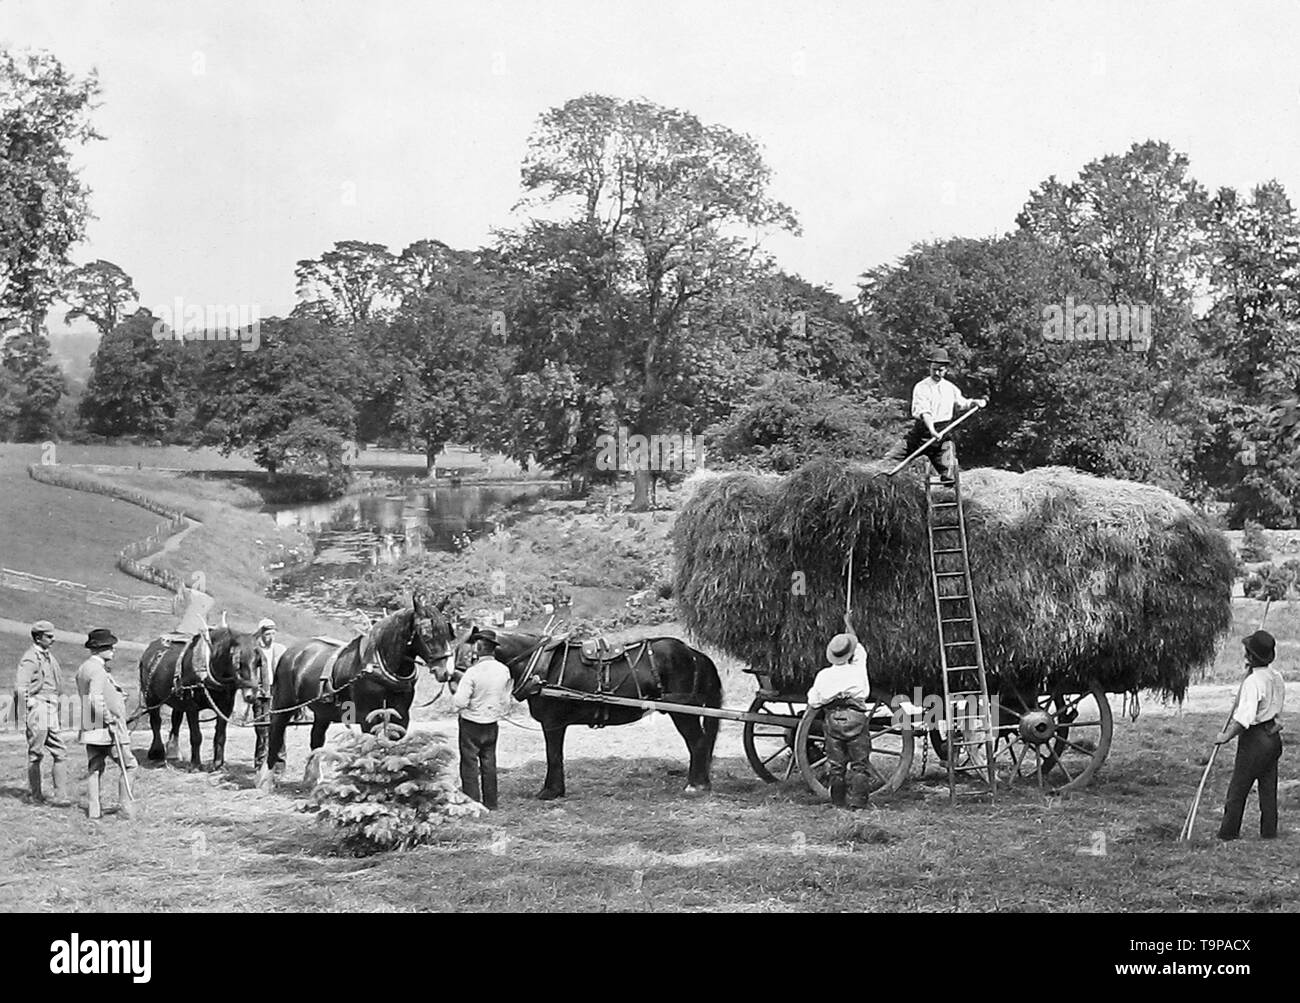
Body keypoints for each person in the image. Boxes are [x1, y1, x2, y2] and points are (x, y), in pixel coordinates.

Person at [1216, 629, 1285, 841]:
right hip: (1273, 738)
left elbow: (1244, 718)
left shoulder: (1253, 683)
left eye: (1247, 652)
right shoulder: (1276, 676)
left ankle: (1228, 833)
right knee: (1268, 788)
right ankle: (1269, 832)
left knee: (1238, 789)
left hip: (1255, 740)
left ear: (1252, 657)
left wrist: (1225, 736)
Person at [885, 347, 987, 480]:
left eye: (940, 370)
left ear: (946, 370)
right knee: (888, 462)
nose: (937, 373)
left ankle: (947, 490)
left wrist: (975, 402)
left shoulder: (950, 388)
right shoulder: (921, 387)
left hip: (942, 437)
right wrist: (932, 430)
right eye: (934, 369)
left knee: (950, 476)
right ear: (930, 368)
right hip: (920, 435)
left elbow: (962, 403)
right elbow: (924, 411)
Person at [806, 626, 873, 809]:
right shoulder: (858, 670)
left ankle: (838, 803)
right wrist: (849, 626)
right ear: (850, 654)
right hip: (855, 718)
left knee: (836, 765)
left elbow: (813, 701)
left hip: (832, 720)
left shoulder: (824, 675)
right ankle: (859, 804)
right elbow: (859, 650)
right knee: (860, 764)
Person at [75, 628, 138, 820]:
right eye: (109, 647)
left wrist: (118, 694)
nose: (113, 650)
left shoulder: (84, 668)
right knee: (130, 766)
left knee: (95, 767)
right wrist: (109, 718)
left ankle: (94, 812)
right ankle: (125, 809)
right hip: (108, 729)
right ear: (99, 648)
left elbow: (95, 694)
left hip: (91, 726)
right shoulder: (98, 670)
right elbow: (95, 699)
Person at [452, 629, 515, 810]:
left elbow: (460, 702)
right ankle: (491, 803)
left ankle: (472, 803)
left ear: (478, 647)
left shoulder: (472, 672)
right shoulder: (504, 670)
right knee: (489, 763)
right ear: (493, 649)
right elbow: (505, 699)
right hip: (491, 723)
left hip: (471, 724)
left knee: (469, 763)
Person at [14, 620, 68, 805]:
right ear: (38, 637)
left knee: (60, 751)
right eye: (49, 637)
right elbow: (21, 687)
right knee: (36, 753)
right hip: (39, 709)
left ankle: (61, 796)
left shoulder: (49, 657)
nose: (53, 640)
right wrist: (30, 704)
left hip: (52, 708)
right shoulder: (30, 658)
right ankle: (36, 796)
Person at [251, 618, 286, 771]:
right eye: (267, 634)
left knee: (279, 727)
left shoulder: (280, 650)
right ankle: (261, 762)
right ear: (261, 634)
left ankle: (279, 762)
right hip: (260, 694)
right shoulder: (253, 651)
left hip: (277, 692)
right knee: (262, 729)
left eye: (273, 633)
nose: (271, 637)